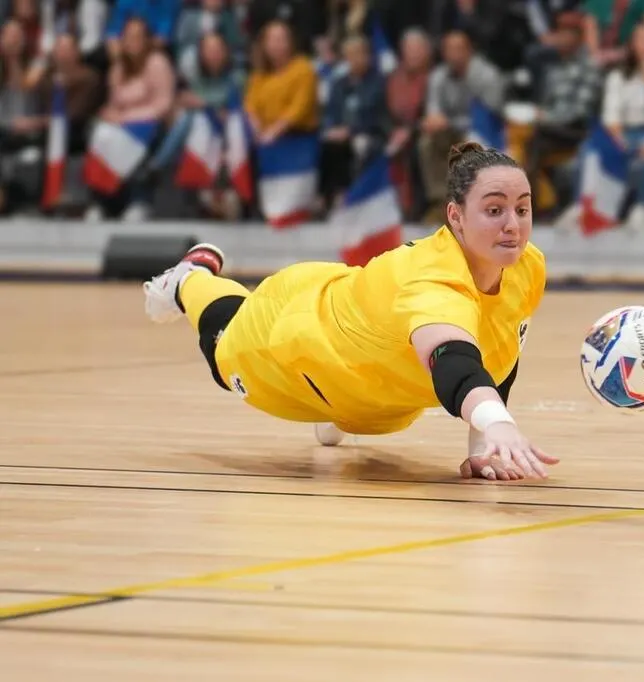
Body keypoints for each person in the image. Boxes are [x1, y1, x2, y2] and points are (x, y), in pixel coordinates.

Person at [142, 142, 557, 482]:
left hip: (374, 384)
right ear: (456, 217)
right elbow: (455, 364)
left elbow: (500, 350)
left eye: (523, 209)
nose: (513, 225)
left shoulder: (526, 265)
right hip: (302, 341)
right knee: (223, 355)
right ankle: (188, 279)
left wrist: (484, 449)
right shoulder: (433, 281)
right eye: (494, 210)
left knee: (372, 412)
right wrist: (498, 424)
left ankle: (342, 411)